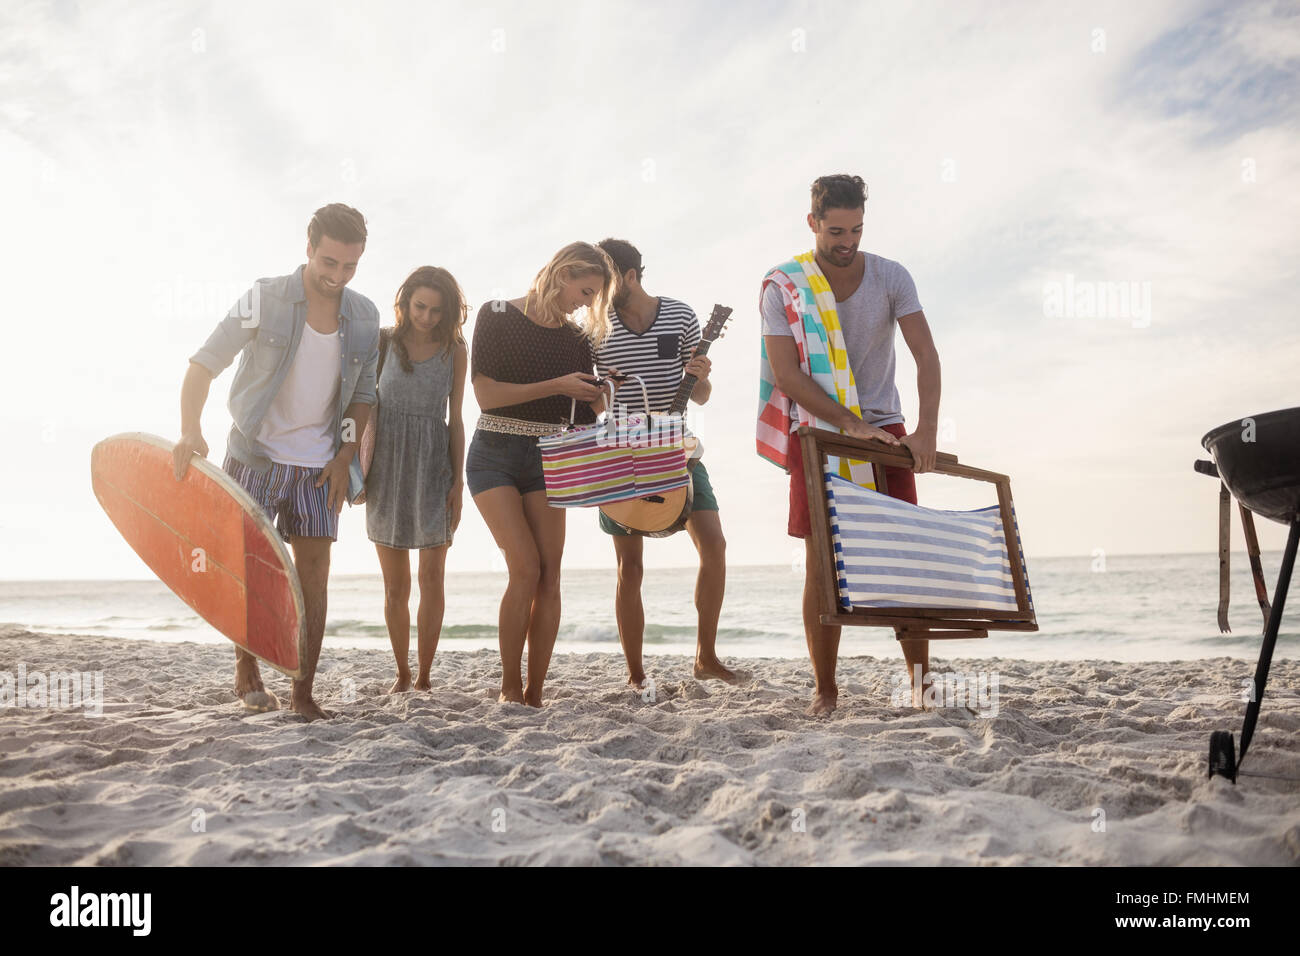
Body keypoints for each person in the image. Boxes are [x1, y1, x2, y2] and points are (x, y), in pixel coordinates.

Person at [173, 203, 380, 722]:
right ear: (309, 248)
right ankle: (247, 669)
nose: (337, 276)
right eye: (329, 262)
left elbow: (363, 397)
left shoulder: (366, 316)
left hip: (320, 467)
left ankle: (302, 692)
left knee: (314, 579)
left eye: (349, 267)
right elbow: (204, 363)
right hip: (255, 457)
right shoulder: (263, 298)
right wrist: (190, 430)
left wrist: (345, 456)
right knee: (252, 573)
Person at [759, 174, 942, 716]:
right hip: (816, 432)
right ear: (812, 222)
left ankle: (921, 684)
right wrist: (846, 422)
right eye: (836, 230)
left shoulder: (891, 276)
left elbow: (925, 355)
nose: (847, 241)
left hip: (887, 431)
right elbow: (787, 376)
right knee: (821, 562)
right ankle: (826, 690)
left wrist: (926, 430)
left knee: (903, 555)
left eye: (856, 229)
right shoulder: (785, 286)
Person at [467, 241, 617, 707]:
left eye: (594, 297)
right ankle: (509, 687)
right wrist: (556, 384)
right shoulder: (495, 314)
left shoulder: (578, 341)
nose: (586, 303)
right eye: (586, 290)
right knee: (525, 568)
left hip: (551, 457)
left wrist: (599, 398)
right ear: (563, 272)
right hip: (494, 451)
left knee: (550, 576)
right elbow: (486, 396)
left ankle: (534, 694)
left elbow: (584, 417)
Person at [593, 238, 736, 689]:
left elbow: (702, 396)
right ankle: (636, 675)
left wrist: (702, 377)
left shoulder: (680, 316)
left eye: (606, 280)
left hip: (679, 446)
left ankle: (705, 657)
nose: (596, 290)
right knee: (629, 567)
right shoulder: (595, 330)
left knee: (713, 544)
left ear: (631, 276)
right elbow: (593, 402)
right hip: (621, 453)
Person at [359, 266, 467, 694]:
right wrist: (355, 467)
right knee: (395, 585)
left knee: (432, 577)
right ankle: (401, 673)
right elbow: (362, 404)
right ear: (404, 303)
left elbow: (455, 419)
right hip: (386, 465)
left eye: (436, 310)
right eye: (419, 306)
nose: (426, 317)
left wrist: (457, 483)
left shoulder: (455, 349)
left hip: (432, 465)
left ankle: (423, 676)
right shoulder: (382, 342)